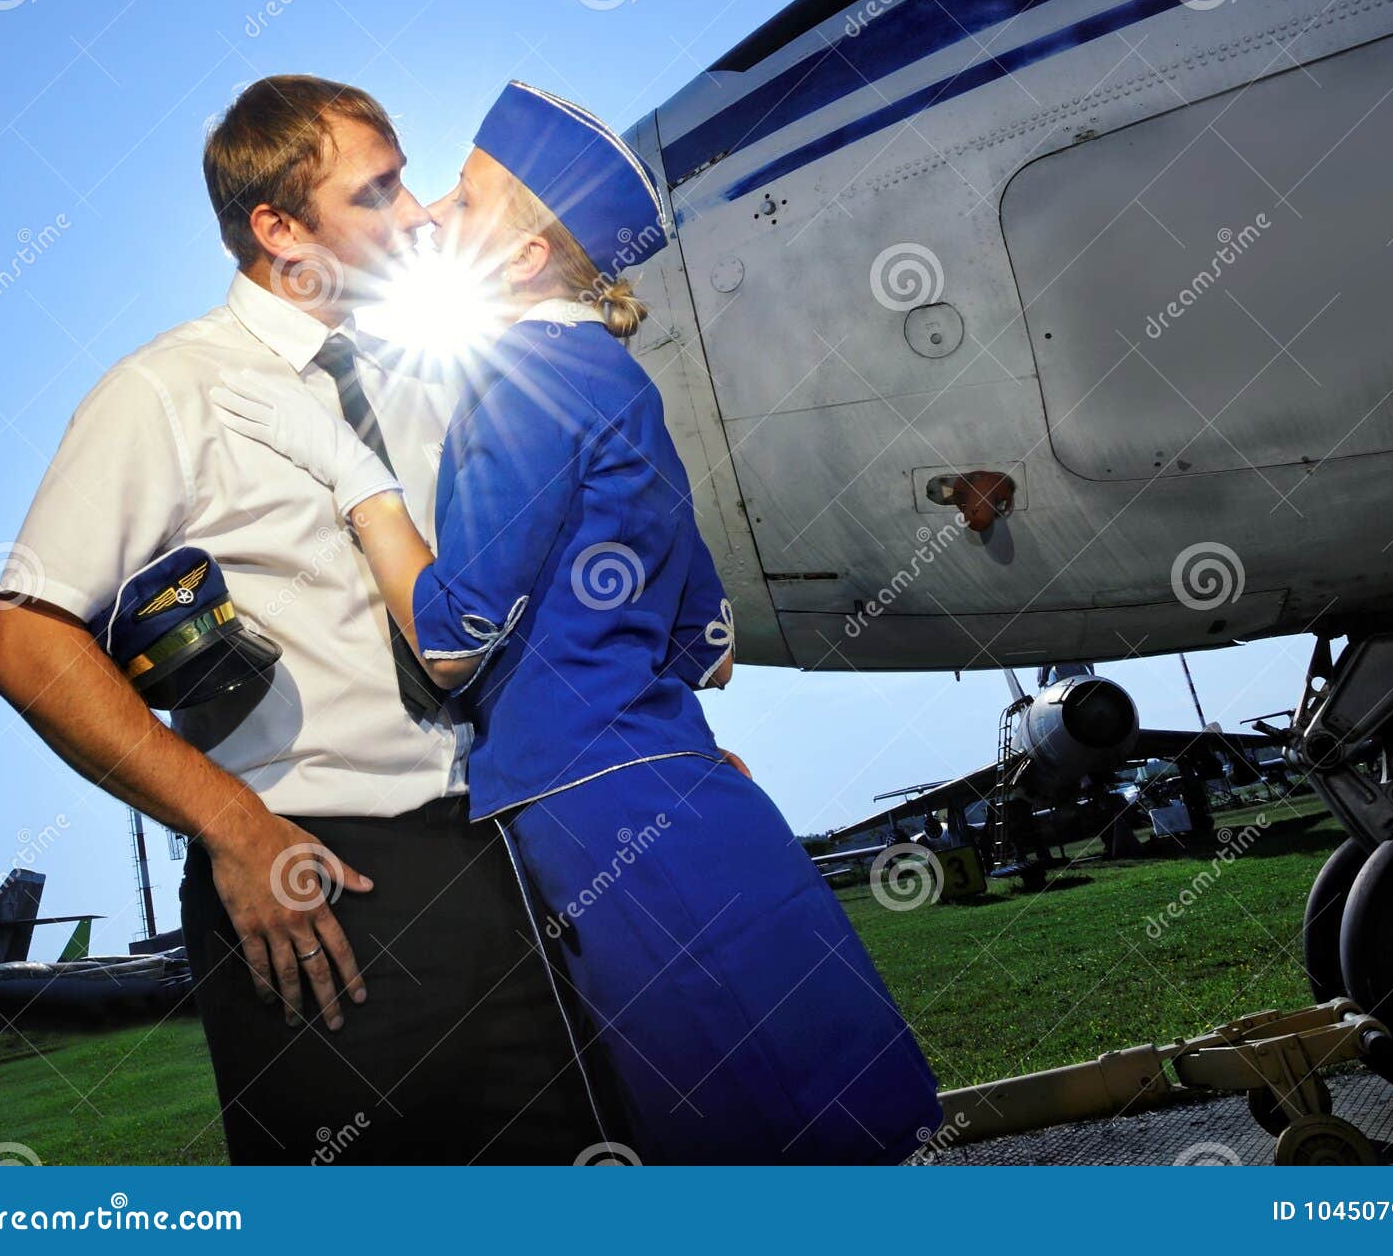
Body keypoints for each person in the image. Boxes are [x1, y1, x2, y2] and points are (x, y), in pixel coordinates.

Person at [213, 81, 943, 1164]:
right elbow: (707, 641)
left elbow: (452, 637)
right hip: (684, 786)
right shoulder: (609, 374)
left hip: (590, 805)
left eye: (464, 199)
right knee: (829, 1110)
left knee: (739, 1132)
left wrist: (360, 486)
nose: (432, 214)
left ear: (521, 258)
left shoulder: (519, 381)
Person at [0, 76, 603, 1164]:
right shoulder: (166, 389)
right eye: (378, 191)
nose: (415, 214)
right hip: (309, 885)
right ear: (278, 229)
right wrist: (234, 826)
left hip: (496, 863)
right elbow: (25, 646)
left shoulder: (424, 382)